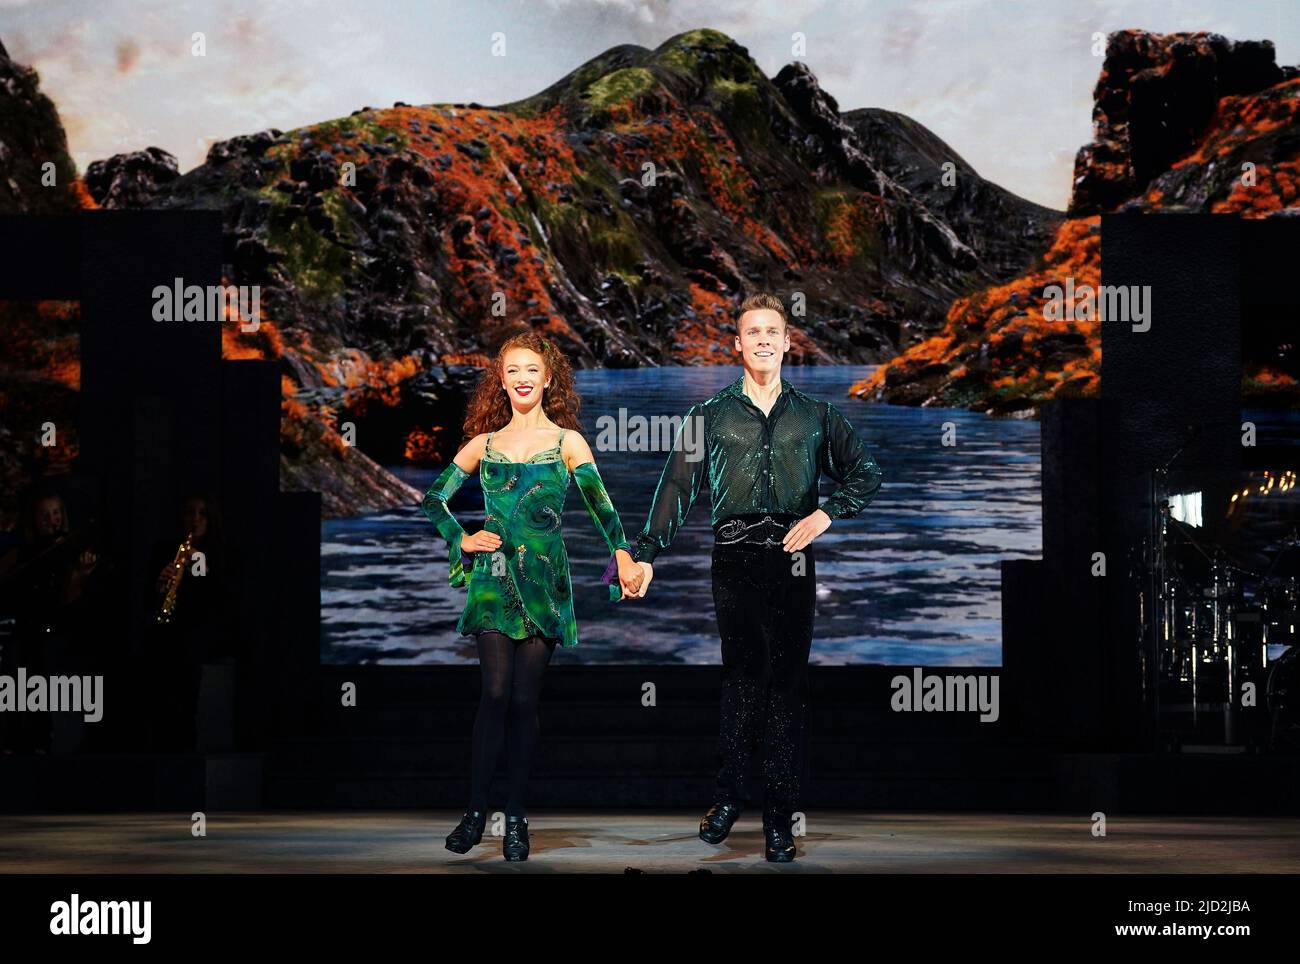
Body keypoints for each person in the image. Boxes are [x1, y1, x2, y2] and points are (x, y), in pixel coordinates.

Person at [626, 293, 883, 862]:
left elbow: (866, 473)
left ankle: (778, 824)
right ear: (737, 345)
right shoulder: (709, 415)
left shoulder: (817, 416)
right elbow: (675, 488)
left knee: (787, 688)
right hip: (735, 558)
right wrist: (646, 553)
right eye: (753, 331)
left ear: (788, 343)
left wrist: (825, 514)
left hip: (793, 559)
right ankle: (727, 796)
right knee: (747, 674)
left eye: (774, 330)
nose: (764, 339)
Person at [421, 331, 643, 861]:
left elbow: (602, 508)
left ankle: (516, 818)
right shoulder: (485, 444)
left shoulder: (568, 442)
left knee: (524, 701)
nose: (522, 378)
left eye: (532, 370)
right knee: (494, 694)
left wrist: (625, 555)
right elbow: (434, 500)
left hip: (545, 581)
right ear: (502, 378)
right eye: (512, 369)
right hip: (494, 581)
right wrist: (462, 537)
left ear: (548, 379)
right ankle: (476, 813)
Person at [145, 493, 229, 753]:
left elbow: (219, 595)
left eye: (201, 513)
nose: (195, 519)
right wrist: (160, 586)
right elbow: (148, 595)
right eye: (189, 513)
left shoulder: (217, 551)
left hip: (202, 628)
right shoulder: (166, 548)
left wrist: (198, 563)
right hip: (171, 626)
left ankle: (186, 746)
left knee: (186, 669)